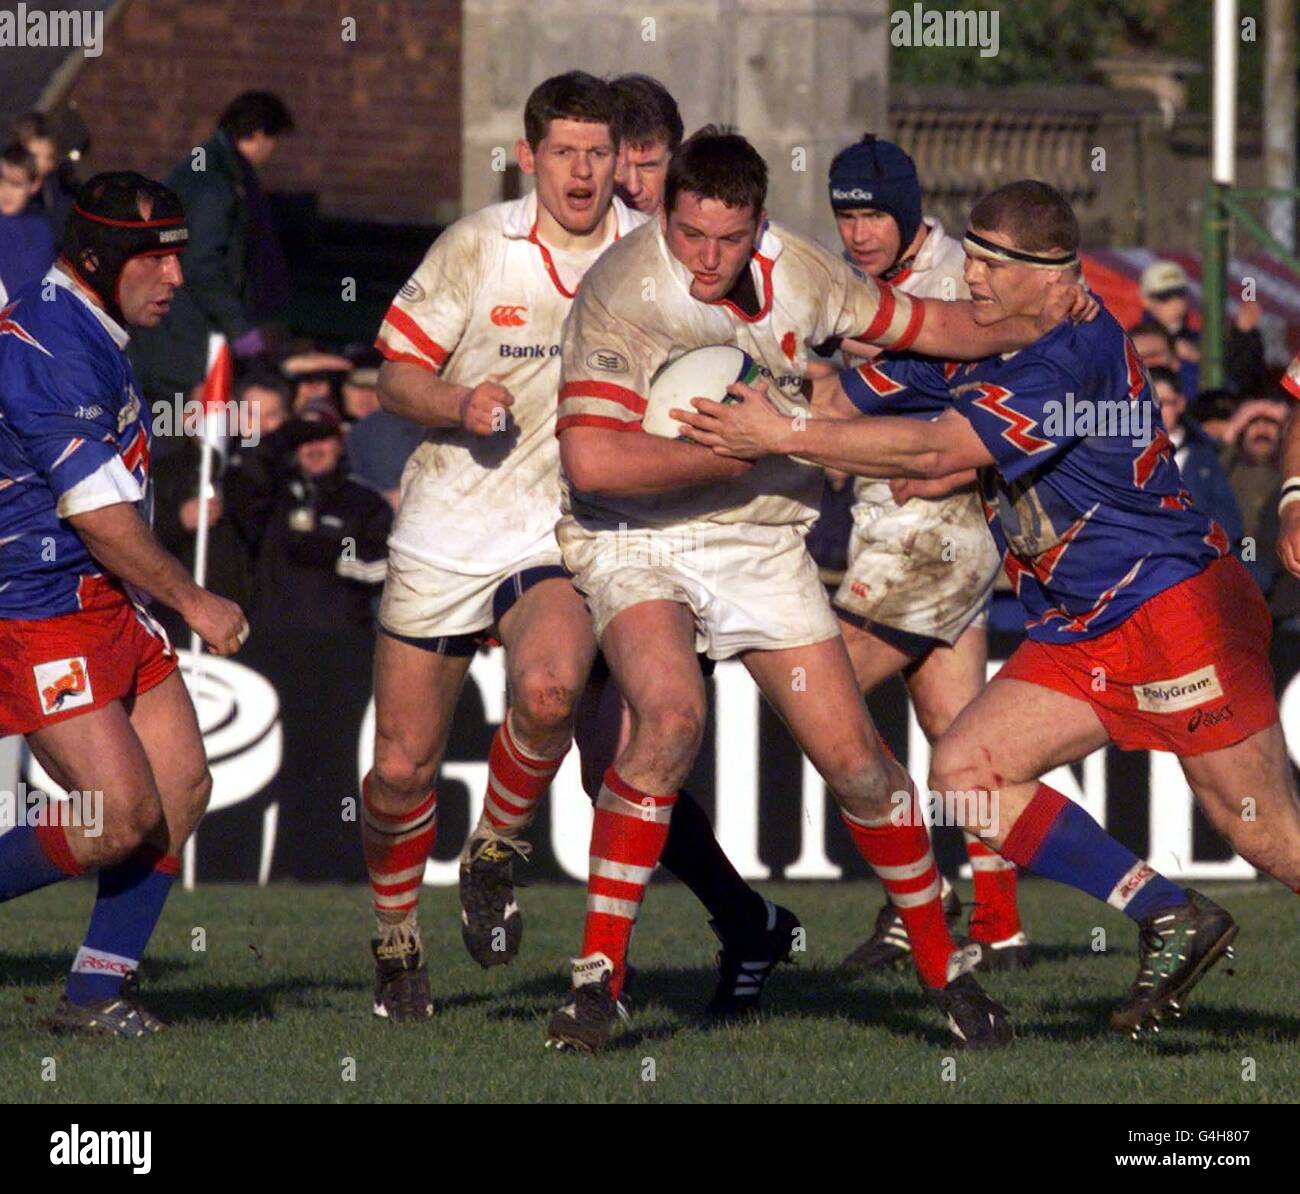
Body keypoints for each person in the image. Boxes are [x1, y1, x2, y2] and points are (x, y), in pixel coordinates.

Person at [678, 180, 1300, 1039]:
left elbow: (933, 443)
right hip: (1083, 622)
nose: (967, 274)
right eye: (968, 252)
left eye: (989, 261)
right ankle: (1168, 913)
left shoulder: (1069, 352)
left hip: (1174, 602)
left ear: (1056, 275)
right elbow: (836, 404)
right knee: (965, 775)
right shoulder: (970, 335)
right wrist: (723, 392)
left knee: (1264, 834)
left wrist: (784, 438)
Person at [548, 131, 1093, 1053]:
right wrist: (735, 446)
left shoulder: (802, 272)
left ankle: (947, 973)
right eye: (689, 236)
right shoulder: (618, 291)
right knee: (670, 723)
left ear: (759, 221)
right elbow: (590, 456)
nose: (708, 260)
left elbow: (936, 327)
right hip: (639, 542)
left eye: (728, 239)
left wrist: (1042, 318)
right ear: (668, 213)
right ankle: (598, 981)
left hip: (761, 541)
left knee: (865, 769)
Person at [367, 73, 797, 1026]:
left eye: (600, 153)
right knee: (400, 768)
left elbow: (738, 350)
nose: (584, 169)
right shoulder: (479, 246)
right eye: (564, 151)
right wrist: (454, 401)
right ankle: (397, 942)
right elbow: (395, 373)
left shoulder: (652, 261)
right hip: (449, 523)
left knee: (558, 695)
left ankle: (497, 857)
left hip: (568, 532)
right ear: (530, 157)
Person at [0, 171, 247, 1036]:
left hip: (102, 599)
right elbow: (97, 515)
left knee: (179, 788)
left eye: (179, 258)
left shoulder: (90, 326)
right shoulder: (50, 343)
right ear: (98, 257)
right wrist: (195, 601)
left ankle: (94, 996)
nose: (174, 278)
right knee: (116, 816)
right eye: (154, 259)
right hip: (35, 610)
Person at [817, 134, 1027, 973]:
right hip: (891, 527)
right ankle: (1000, 924)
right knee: (958, 741)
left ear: (905, 210)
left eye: (873, 212)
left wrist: (953, 468)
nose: (860, 230)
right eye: (846, 214)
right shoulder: (847, 289)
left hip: (941, 533)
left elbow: (1016, 399)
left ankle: (924, 902)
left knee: (818, 691)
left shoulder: (960, 285)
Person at [128, 91, 295, 425]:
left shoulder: (203, 169)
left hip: (173, 332)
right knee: (183, 436)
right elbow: (202, 265)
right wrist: (239, 328)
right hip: (183, 341)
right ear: (260, 135)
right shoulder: (215, 184)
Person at [223, 397, 391, 632]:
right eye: (304, 440)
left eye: (322, 438)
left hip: (341, 638)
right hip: (272, 636)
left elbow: (384, 565)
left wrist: (339, 550)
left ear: (340, 444)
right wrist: (280, 438)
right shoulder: (272, 495)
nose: (314, 449)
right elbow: (242, 477)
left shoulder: (363, 501)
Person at [1149, 365, 1243, 556]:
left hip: (1199, 558)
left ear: (1180, 403)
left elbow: (1229, 522)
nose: (1156, 410)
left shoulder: (1204, 454)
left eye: (1165, 402)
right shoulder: (1124, 455)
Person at [0, 142, 56, 301]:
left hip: (26, 318)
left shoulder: (40, 230)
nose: (6, 192)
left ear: (34, 185)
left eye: (16, 184)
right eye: (2, 182)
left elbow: (49, 282)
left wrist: (48, 309)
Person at [1137, 260, 1199, 397]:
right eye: (1165, 296)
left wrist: (1200, 360)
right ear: (1146, 299)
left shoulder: (1200, 341)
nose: (1175, 302)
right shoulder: (1133, 341)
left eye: (1180, 294)